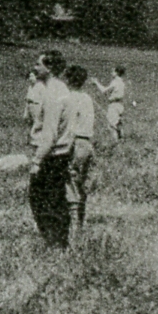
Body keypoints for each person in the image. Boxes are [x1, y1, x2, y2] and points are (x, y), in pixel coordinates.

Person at [27, 50, 73, 248]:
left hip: (51, 155)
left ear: (50, 68)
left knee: (41, 199)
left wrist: (37, 161)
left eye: (39, 65)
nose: (35, 68)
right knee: (56, 198)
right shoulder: (62, 89)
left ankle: (53, 241)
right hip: (61, 154)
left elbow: (50, 134)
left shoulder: (53, 95)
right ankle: (59, 241)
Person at [62, 65, 95, 236]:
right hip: (88, 144)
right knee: (82, 187)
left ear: (68, 79)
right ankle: (80, 223)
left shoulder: (68, 98)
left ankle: (74, 228)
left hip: (75, 143)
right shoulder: (87, 98)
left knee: (70, 183)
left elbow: (69, 126)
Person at [92, 66, 126, 143]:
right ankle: (122, 141)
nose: (111, 73)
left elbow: (104, 91)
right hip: (120, 105)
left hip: (113, 105)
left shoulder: (115, 82)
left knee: (112, 125)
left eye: (113, 71)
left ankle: (116, 143)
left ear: (117, 73)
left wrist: (96, 83)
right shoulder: (122, 82)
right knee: (119, 124)